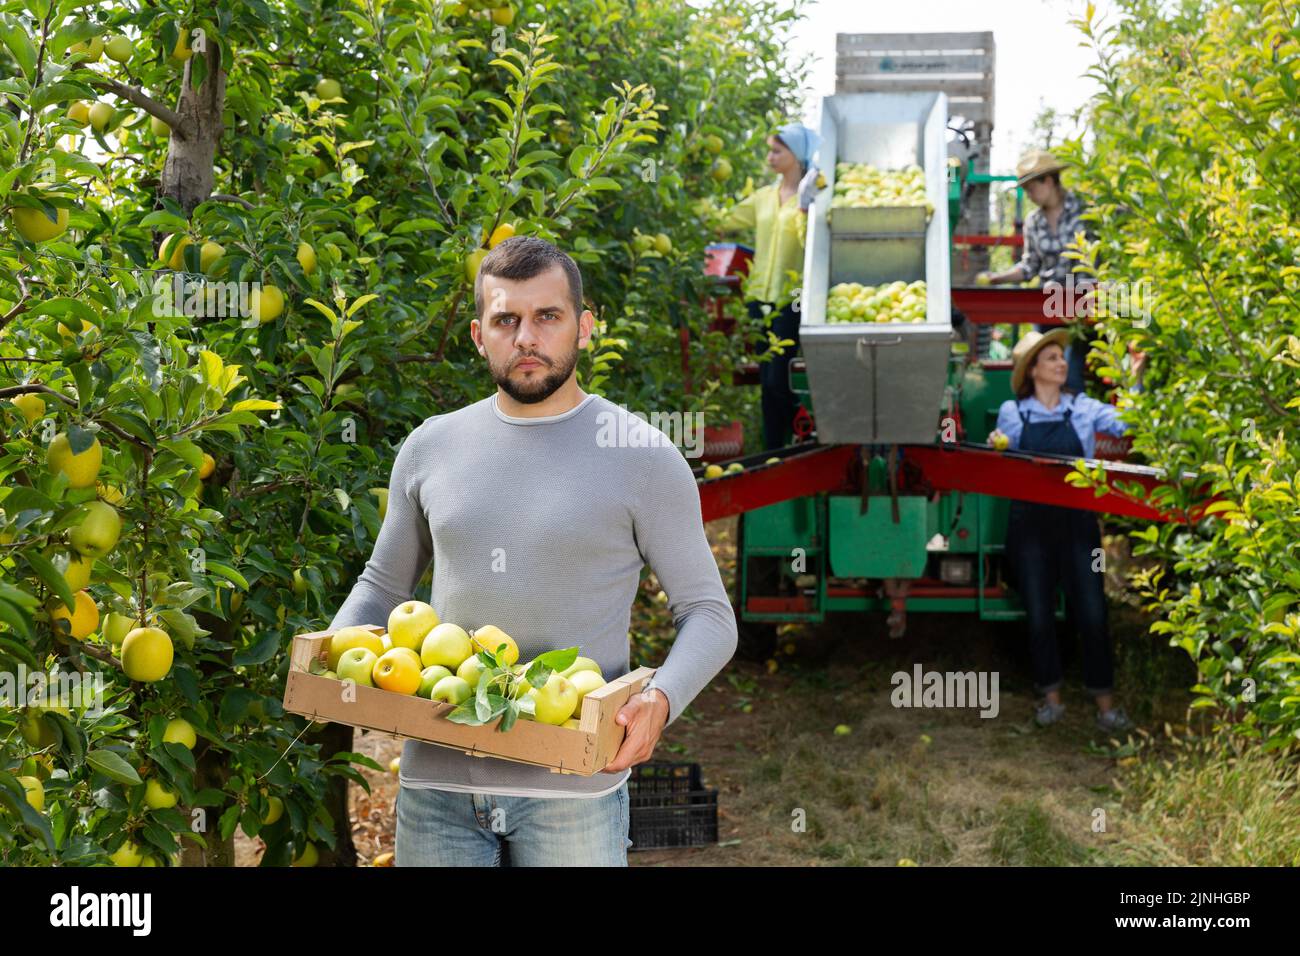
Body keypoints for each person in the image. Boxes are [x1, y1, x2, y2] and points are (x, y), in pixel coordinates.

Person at [328, 236, 738, 865]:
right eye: (506, 320)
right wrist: (327, 662)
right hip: (438, 785)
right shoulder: (430, 447)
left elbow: (708, 614)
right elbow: (383, 589)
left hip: (573, 791)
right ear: (477, 334)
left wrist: (660, 698)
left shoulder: (642, 455)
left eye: (548, 316)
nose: (527, 337)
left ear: (585, 326)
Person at [988, 329, 1144, 733]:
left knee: (1092, 612)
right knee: (1039, 614)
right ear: (1034, 370)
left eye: (1061, 357)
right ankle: (1052, 701)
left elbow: (1130, 423)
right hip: (1030, 527)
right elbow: (1002, 461)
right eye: (1053, 358)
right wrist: (996, 446)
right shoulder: (1012, 413)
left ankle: (1106, 707)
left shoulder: (1085, 409)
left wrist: (1135, 378)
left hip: (1079, 526)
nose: (1062, 363)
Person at [716, 123, 822, 449]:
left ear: (797, 155)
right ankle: (774, 449)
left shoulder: (811, 197)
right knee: (766, 379)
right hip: (758, 298)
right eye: (770, 150)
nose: (770, 157)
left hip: (792, 298)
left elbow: (813, 244)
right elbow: (724, 221)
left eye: (778, 151)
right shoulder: (763, 198)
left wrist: (806, 208)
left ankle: (800, 436)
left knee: (779, 377)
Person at [978, 149, 1094, 394]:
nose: (1028, 195)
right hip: (1047, 307)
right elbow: (1030, 266)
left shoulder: (1085, 210)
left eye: (1031, 188)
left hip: (1081, 306)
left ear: (1049, 181)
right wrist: (998, 278)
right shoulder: (1034, 221)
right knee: (1039, 372)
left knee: (1070, 372)